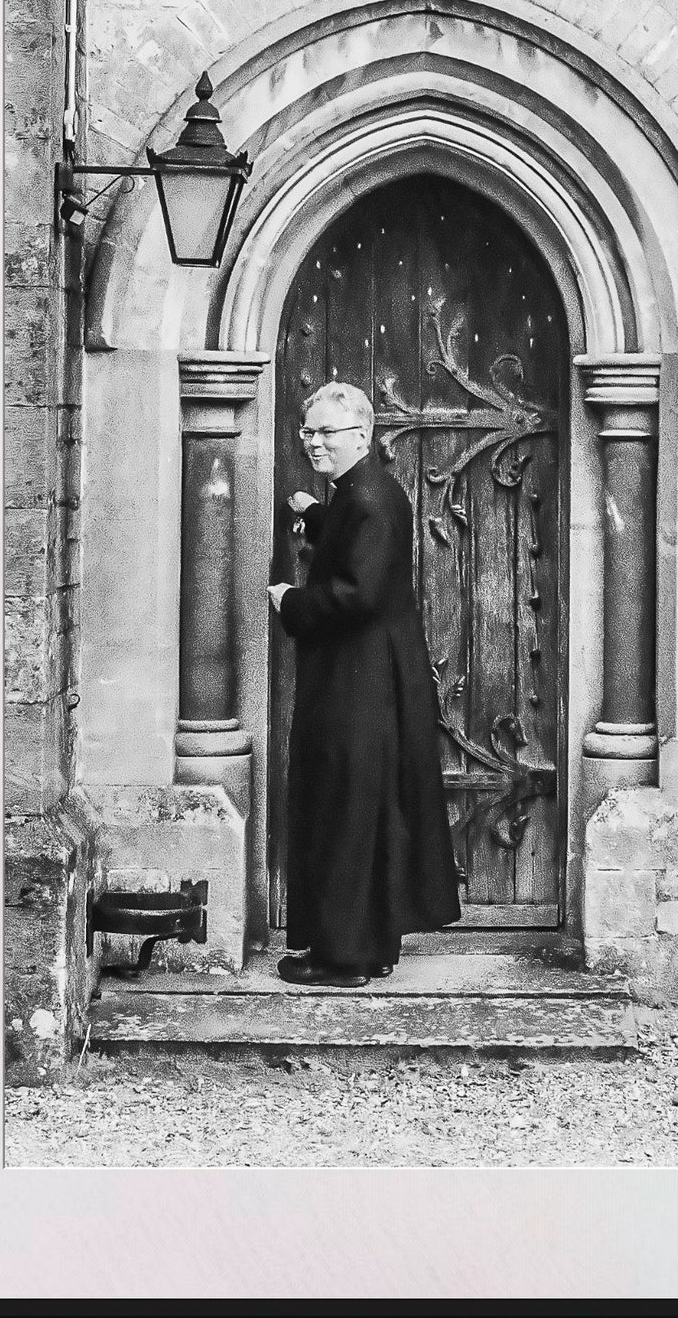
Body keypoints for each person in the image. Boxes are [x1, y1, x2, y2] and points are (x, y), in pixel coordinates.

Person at [267, 381, 461, 987]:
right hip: (362, 675)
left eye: (326, 433)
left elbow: (359, 593)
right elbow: (355, 534)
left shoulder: (373, 496)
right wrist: (315, 514)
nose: (314, 442)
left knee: (348, 808)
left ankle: (343, 959)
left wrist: (292, 601)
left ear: (361, 435)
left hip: (363, 681)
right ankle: (360, 945)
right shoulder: (358, 493)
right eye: (308, 432)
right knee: (359, 806)